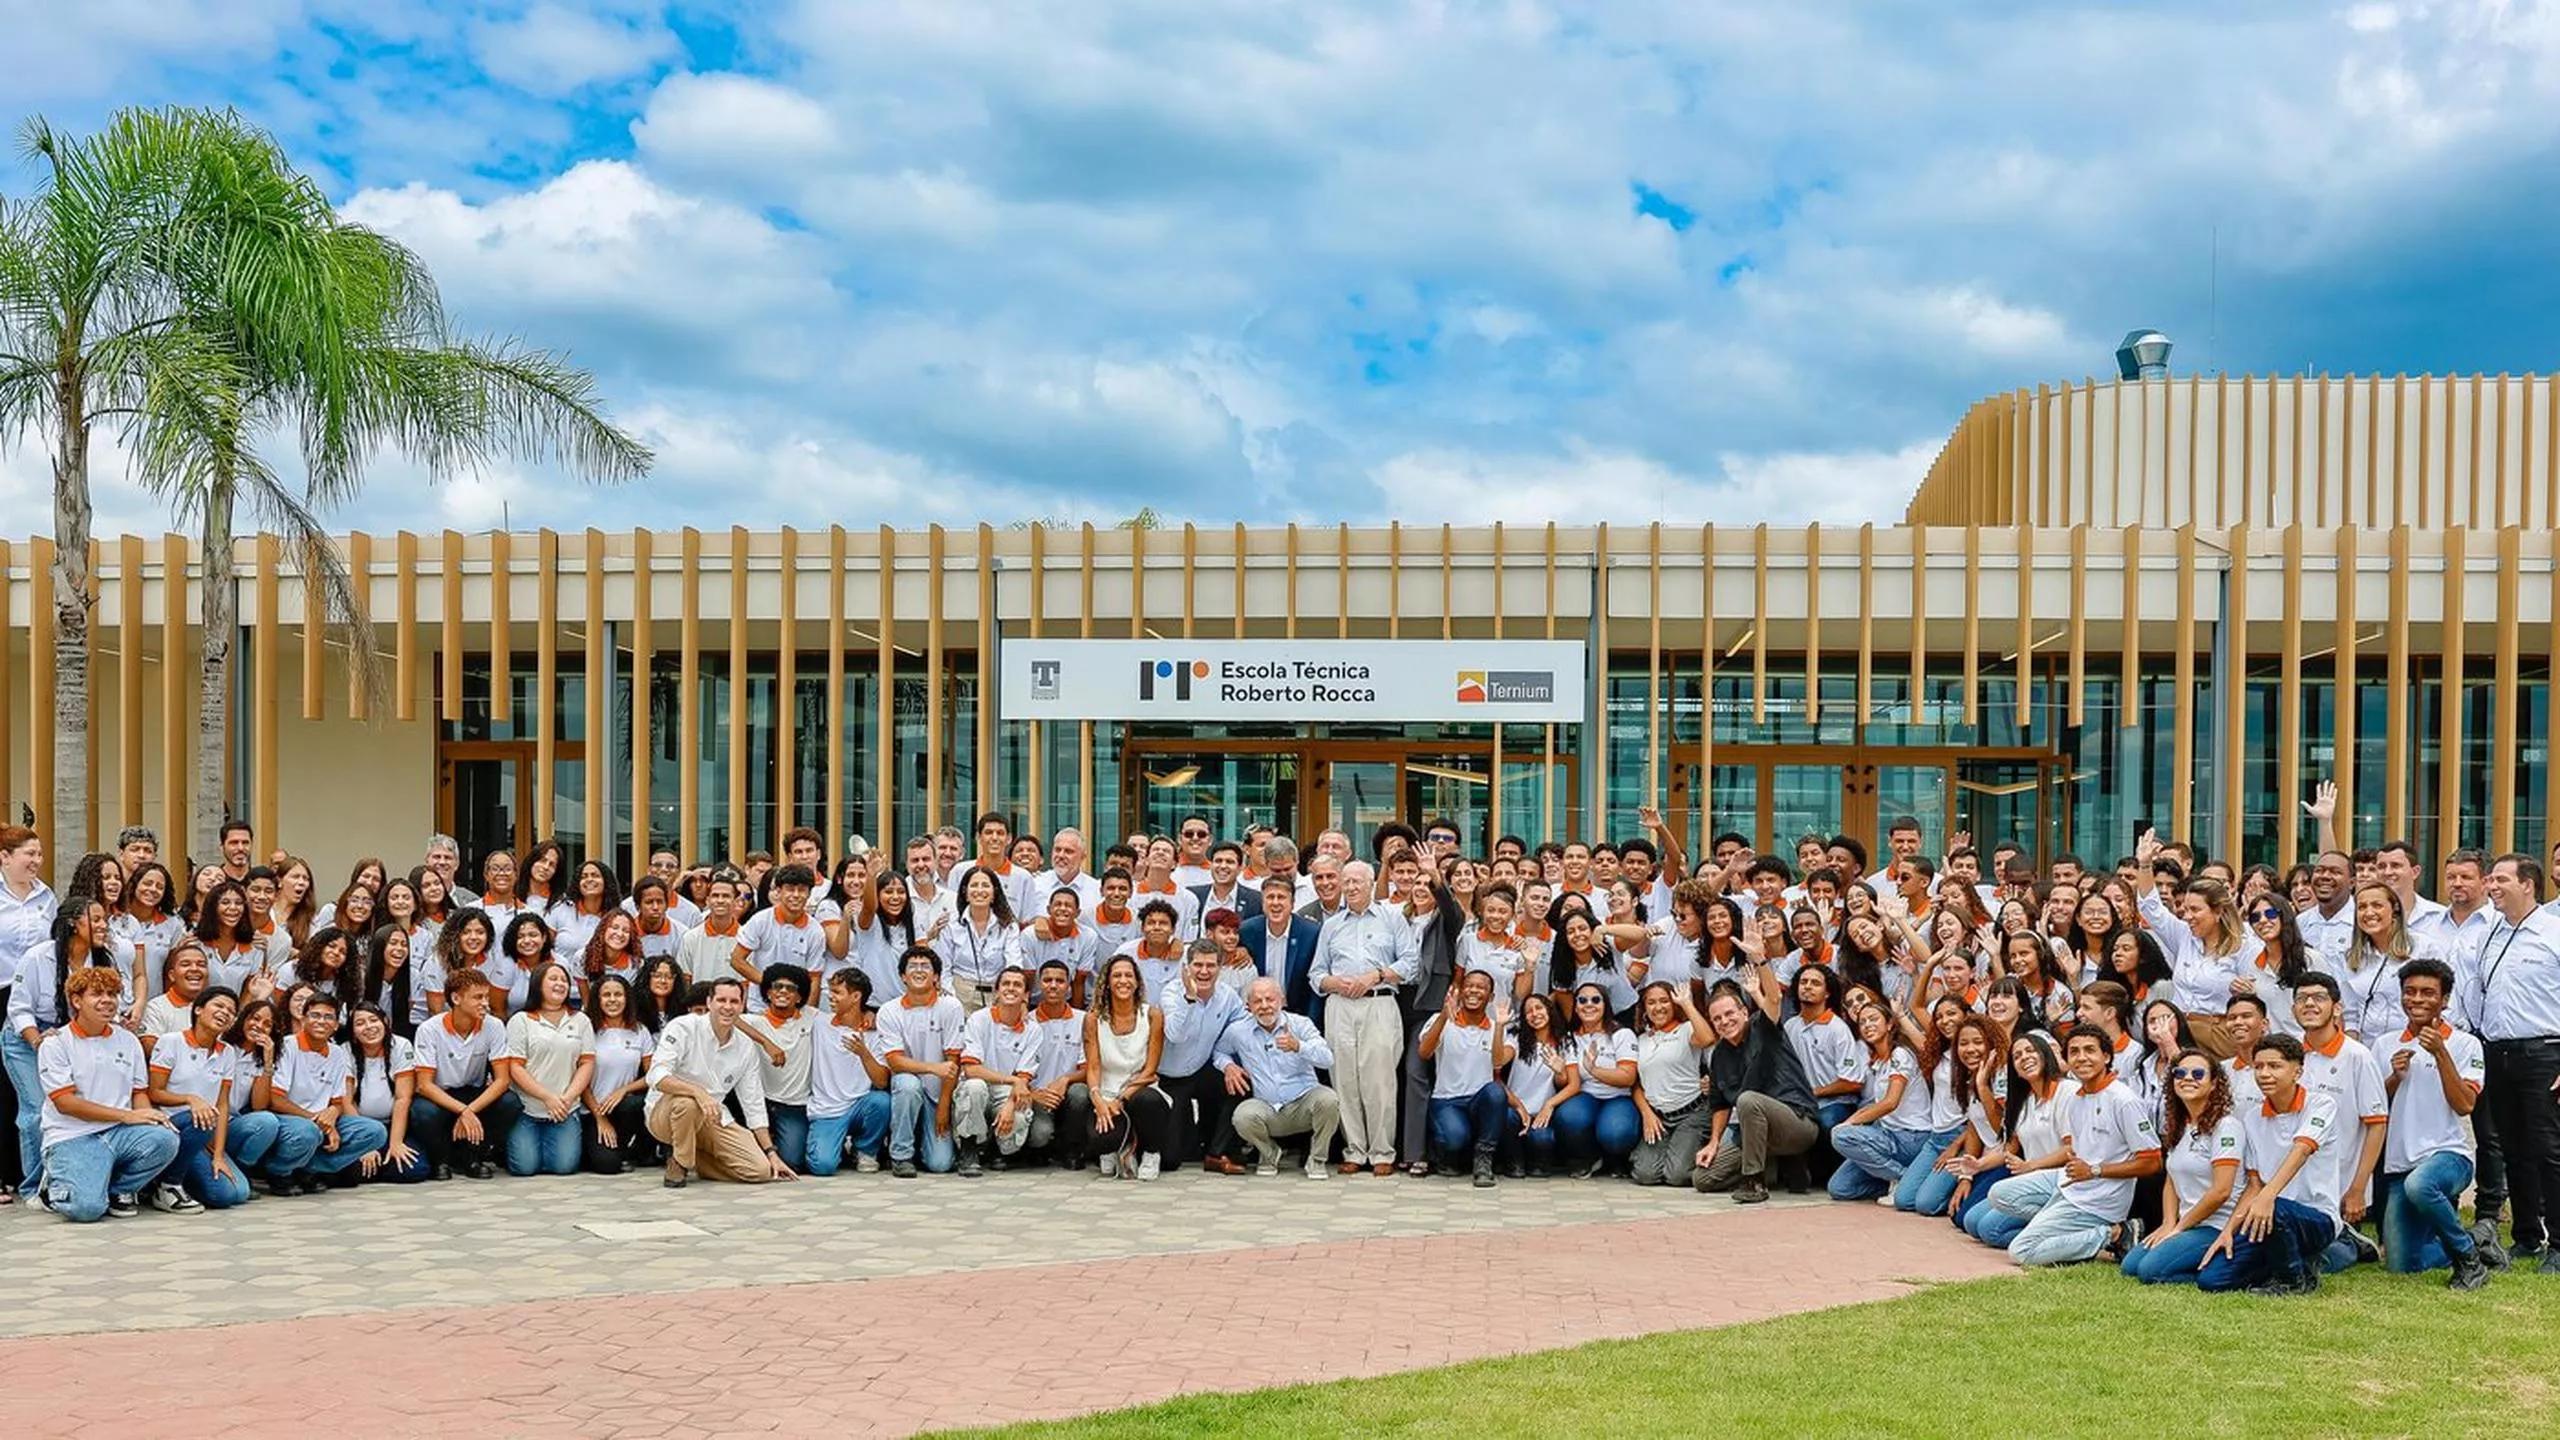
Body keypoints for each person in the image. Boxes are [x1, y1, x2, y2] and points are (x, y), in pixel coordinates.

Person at [1989, 1025, 2160, 1267]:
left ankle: (2115, 1234)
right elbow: (2079, 1152)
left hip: (2099, 1197)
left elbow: (2152, 1162)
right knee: (1999, 1194)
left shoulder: (2124, 1100)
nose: (2081, 1058)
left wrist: (2095, 1171)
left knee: (2021, 1251)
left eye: (2090, 1050)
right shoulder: (2078, 1098)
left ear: (2107, 1056)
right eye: (2074, 1052)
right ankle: (2061, 1230)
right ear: (2066, 1059)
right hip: (2070, 1182)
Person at [31, 966, 181, 1221]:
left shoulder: (128, 1040)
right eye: (97, 994)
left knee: (166, 1138)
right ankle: (53, 1187)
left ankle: (119, 1191)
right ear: (76, 1001)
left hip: (118, 1132)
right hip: (72, 1136)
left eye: (112, 994)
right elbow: (65, 1104)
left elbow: (139, 1092)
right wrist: (127, 1116)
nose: (107, 1000)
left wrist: (146, 1115)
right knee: (86, 1210)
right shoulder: (55, 1043)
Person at [2380, 958, 2493, 1287]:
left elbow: (2464, 1105)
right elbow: (2375, 1108)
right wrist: (2394, 1078)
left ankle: (2468, 1261)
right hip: (2401, 1163)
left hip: (2449, 1157)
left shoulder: (2465, 1043)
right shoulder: (2385, 1044)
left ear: (2444, 1000)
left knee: (2421, 1185)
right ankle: (2476, 1242)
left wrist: (2441, 1053)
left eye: (2428, 993)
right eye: (2409, 992)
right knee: (2401, 1265)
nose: (2417, 999)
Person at [2203, 1033, 2345, 1296]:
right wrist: (2229, 1230)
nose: (2264, 1074)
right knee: (2213, 1280)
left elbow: (2301, 1150)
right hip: (2264, 1216)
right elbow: (2254, 1184)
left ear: (2297, 1071)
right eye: (2258, 1067)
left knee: (2278, 1209)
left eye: (2275, 1066)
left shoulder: (2321, 1104)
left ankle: (2293, 1282)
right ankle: (2298, 1263)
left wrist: (2268, 1196)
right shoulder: (2252, 1118)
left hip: (2313, 1216)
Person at [2471, 854, 2560, 1269]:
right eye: (2491, 879)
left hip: (2545, 1053)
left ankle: (2558, 1242)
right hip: (2498, 1054)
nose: (2493, 886)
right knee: (2514, 1150)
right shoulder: (2493, 932)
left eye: (2501, 879)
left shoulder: (2554, 931)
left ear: (2528, 884)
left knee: (2549, 1150)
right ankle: (2526, 1236)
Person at [644, 976, 796, 1187]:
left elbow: (753, 1103)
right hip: (665, 1114)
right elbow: (656, 1075)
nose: (727, 1007)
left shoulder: (745, 1046)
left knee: (760, 1171)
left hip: (712, 1116)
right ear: (709, 1003)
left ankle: (697, 1158)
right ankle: (679, 1163)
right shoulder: (683, 1027)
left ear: (742, 1006)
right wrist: (698, 1092)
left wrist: (771, 1154)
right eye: (721, 1000)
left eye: (734, 1002)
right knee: (687, 1103)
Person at [1308, 860, 1410, 1175]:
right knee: (1344, 1079)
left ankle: (1382, 1152)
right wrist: (1335, 982)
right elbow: (1316, 973)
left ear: (1371, 883)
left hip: (1378, 1002)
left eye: (1357, 882)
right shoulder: (1332, 925)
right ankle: (1353, 1150)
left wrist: (1376, 975)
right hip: (1339, 1006)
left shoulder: (1392, 919)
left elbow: (1410, 963)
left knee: (1379, 1081)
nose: (1351, 887)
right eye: (1347, 882)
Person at [2118, 1047, 2243, 1284]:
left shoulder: (2226, 1126)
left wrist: (2179, 1228)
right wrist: (2167, 1223)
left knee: (2149, 1271)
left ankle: (2224, 1268)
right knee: (2130, 1266)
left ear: (2214, 1083)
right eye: (2180, 1073)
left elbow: (2221, 1192)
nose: (2187, 1078)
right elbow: (2171, 1181)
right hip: (2187, 1223)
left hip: (2216, 1225)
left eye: (2198, 1074)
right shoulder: (2181, 1126)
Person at [1693, 984, 1822, 1202]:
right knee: (1702, 1179)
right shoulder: (1719, 1055)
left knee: (1747, 1099)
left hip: (1797, 1123)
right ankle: (1774, 1167)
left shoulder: (1762, 1027)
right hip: (1753, 1135)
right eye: (1717, 1019)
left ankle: (1754, 1181)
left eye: (1729, 1013)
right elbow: (1720, 1104)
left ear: (1744, 1012)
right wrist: (1714, 1142)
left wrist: (1759, 961)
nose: (1724, 1021)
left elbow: (1774, 998)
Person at [267, 992, 390, 1191]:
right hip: (290, 1119)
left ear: (335, 1025)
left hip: (322, 1121)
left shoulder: (337, 1052)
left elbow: (338, 1100)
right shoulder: (287, 1046)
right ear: (303, 1018)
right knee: (308, 1132)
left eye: (328, 1017)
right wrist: (318, 1120)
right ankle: (278, 1172)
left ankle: (309, 1168)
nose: (321, 1021)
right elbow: (275, 1099)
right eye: (315, 1015)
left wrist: (332, 1115)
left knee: (374, 1132)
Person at [1217, 976, 1338, 1178]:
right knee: (1242, 1116)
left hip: (1303, 1104)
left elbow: (1327, 1059)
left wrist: (1299, 1046)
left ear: (1282, 1000)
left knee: (1329, 1100)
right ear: (1248, 1006)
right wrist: (1228, 1066)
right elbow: (1219, 1051)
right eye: (1257, 1001)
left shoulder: (1300, 1024)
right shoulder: (1238, 1031)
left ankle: (1317, 1159)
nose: (1265, 1006)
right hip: (1267, 1107)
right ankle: (1270, 1154)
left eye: (1270, 999)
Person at [408, 968, 517, 1180]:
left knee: (510, 1103)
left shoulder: (494, 1025)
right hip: (440, 1094)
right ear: (456, 998)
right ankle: (441, 1158)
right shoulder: (429, 1029)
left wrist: (469, 1110)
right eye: (478, 997)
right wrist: (463, 1111)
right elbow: (424, 1085)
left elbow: (502, 1080)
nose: (485, 1003)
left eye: (486, 996)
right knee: (423, 1112)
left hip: (473, 1093)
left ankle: (472, 1156)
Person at [1826, 1000, 1934, 1202]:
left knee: (1841, 1135)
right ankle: (1895, 1180)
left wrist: (1849, 1123)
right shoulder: (1877, 1062)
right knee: (1840, 1188)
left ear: (1890, 1024)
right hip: (1889, 1135)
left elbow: (1890, 1102)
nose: (1867, 1025)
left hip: (1912, 1136)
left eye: (1874, 1019)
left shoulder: (1900, 1055)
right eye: (1863, 1022)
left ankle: (1903, 1178)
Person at [876, 946, 968, 1178]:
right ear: (903, 977)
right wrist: (933, 1068)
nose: (919, 971)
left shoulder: (951, 1006)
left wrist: (944, 1107)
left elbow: (953, 1061)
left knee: (940, 1164)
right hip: (907, 1087)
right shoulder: (889, 1011)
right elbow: (895, 1062)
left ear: (936, 977)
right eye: (912, 966)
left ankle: (922, 1145)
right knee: (909, 1085)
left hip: (939, 1092)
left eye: (925, 966)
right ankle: (901, 1154)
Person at [1418, 969, 1515, 1186]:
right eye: (1469, 985)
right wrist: (1444, 1016)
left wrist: (1499, 1027)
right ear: (1460, 991)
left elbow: (1498, 1062)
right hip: (1447, 1101)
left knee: (1496, 1092)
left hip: (1479, 1102)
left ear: (1490, 997)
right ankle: (1447, 1155)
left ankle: (1484, 1161)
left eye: (1481, 987)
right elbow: (1424, 1052)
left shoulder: (1496, 1027)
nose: (1474, 991)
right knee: (1455, 1139)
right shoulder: (1440, 1019)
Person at [1159, 940, 1248, 1174]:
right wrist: (1190, 998)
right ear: (1187, 967)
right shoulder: (1171, 992)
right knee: (1170, 1159)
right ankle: (1192, 1138)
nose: (1204, 972)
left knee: (1240, 1082)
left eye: (1211, 965)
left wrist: (1228, 1063)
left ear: (1220, 968)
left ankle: (1216, 1153)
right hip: (1170, 1077)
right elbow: (1175, 1035)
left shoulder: (1228, 996)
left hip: (1202, 1069)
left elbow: (1240, 1029)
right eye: (1198, 965)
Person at [503, 961, 596, 1177]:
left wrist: (567, 1098)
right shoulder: (521, 1020)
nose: (560, 984)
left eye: (564, 980)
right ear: (537, 985)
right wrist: (547, 1097)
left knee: (564, 1167)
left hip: (565, 1108)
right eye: (553, 979)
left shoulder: (580, 1020)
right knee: (524, 1168)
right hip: (527, 1108)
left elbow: (586, 1063)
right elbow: (515, 1067)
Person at [1085, 953, 1172, 1179]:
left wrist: (1121, 1099)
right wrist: (1098, 1100)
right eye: (1117, 976)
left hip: (1140, 1090)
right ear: (1107, 982)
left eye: (1128, 975)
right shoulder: (1093, 1018)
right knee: (1101, 1141)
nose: (1123, 981)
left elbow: (1150, 1070)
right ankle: (1119, 1148)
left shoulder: (1152, 1015)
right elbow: (1093, 1068)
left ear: (1136, 982)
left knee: (1147, 1101)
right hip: (1106, 1092)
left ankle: (1151, 1154)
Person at [953, 966, 1046, 1175]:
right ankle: (970, 1150)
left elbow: (1024, 1078)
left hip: (1008, 1091)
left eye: (1017, 985)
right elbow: (971, 1069)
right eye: (1006, 984)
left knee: (1018, 1113)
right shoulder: (979, 1019)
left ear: (1026, 995)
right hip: (983, 1085)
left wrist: (1010, 1106)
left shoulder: (1033, 1030)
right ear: (996, 991)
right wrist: (1012, 1081)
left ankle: (998, 1149)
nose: (1011, 989)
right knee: (974, 1087)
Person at [805, 968, 892, 1176]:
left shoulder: (874, 1032)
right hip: (826, 1110)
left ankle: (865, 1150)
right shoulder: (818, 1021)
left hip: (859, 1105)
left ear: (855, 997)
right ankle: (836, 1149)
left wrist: (864, 1053)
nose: (830, 996)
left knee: (881, 1101)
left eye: (837, 992)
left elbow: (881, 1082)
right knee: (822, 1166)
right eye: (831, 991)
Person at [1628, 980, 1715, 1188]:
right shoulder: (1641, 1040)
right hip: (1659, 1117)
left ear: (1673, 1004)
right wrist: (1647, 1114)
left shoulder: (1686, 1030)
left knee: (1677, 1176)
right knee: (1645, 1175)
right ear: (1644, 1008)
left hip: (1691, 1112)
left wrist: (1687, 1004)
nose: (1658, 1007)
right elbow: (1635, 1084)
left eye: (1664, 1001)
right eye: (1651, 1003)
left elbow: (1708, 1038)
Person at [1556, 982, 1641, 1174]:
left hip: (1619, 1096)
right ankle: (1590, 1156)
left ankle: (1616, 1159)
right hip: (1586, 1094)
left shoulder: (1622, 1034)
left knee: (1616, 1133)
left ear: (1605, 1006)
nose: (1589, 1004)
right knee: (1567, 1118)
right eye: (1582, 1000)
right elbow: (1567, 1082)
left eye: (1596, 999)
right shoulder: (1570, 1038)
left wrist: (1594, 1070)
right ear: (1575, 1007)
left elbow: (1628, 1077)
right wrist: (1558, 1072)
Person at [741, 964, 817, 1166]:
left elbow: (843, 1017)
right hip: (762, 1101)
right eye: (777, 986)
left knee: (793, 1162)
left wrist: (869, 1015)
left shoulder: (812, 1018)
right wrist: (766, 1042)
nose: (783, 991)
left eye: (791, 988)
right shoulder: (754, 1022)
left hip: (795, 1105)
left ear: (799, 997)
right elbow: (726, 1018)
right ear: (768, 992)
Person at [345, 1002, 429, 1183]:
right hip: (359, 1127)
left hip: (392, 1126)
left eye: (373, 1020)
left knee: (415, 1170)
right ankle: (375, 1165)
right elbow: (347, 1102)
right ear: (352, 1031)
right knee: (352, 1172)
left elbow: (402, 1098)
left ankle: (379, 1165)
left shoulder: (400, 1045)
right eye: (360, 1023)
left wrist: (396, 1143)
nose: (368, 1027)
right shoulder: (345, 1051)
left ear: (386, 1022)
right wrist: (365, 1142)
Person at [582, 973, 655, 1174]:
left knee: (639, 1103)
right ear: (597, 999)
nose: (613, 1000)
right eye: (606, 995)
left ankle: (629, 1149)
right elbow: (579, 1081)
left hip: (623, 1108)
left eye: (618, 995)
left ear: (627, 998)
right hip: (591, 1110)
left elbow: (653, 1075)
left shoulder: (640, 1031)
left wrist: (624, 1090)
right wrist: (599, 1117)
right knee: (607, 1166)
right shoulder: (587, 1030)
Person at [1501, 992, 1578, 1178]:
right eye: (1528, 1011)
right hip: (1515, 1108)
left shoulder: (1565, 1041)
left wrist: (1550, 1102)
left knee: (1543, 1140)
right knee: (1507, 1120)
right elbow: (1498, 1062)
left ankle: (1539, 1163)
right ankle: (1513, 1162)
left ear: (1549, 1011)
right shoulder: (1516, 1038)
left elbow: (1573, 1084)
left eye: (1539, 1008)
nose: (1534, 1014)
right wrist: (1499, 1026)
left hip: (1542, 1112)